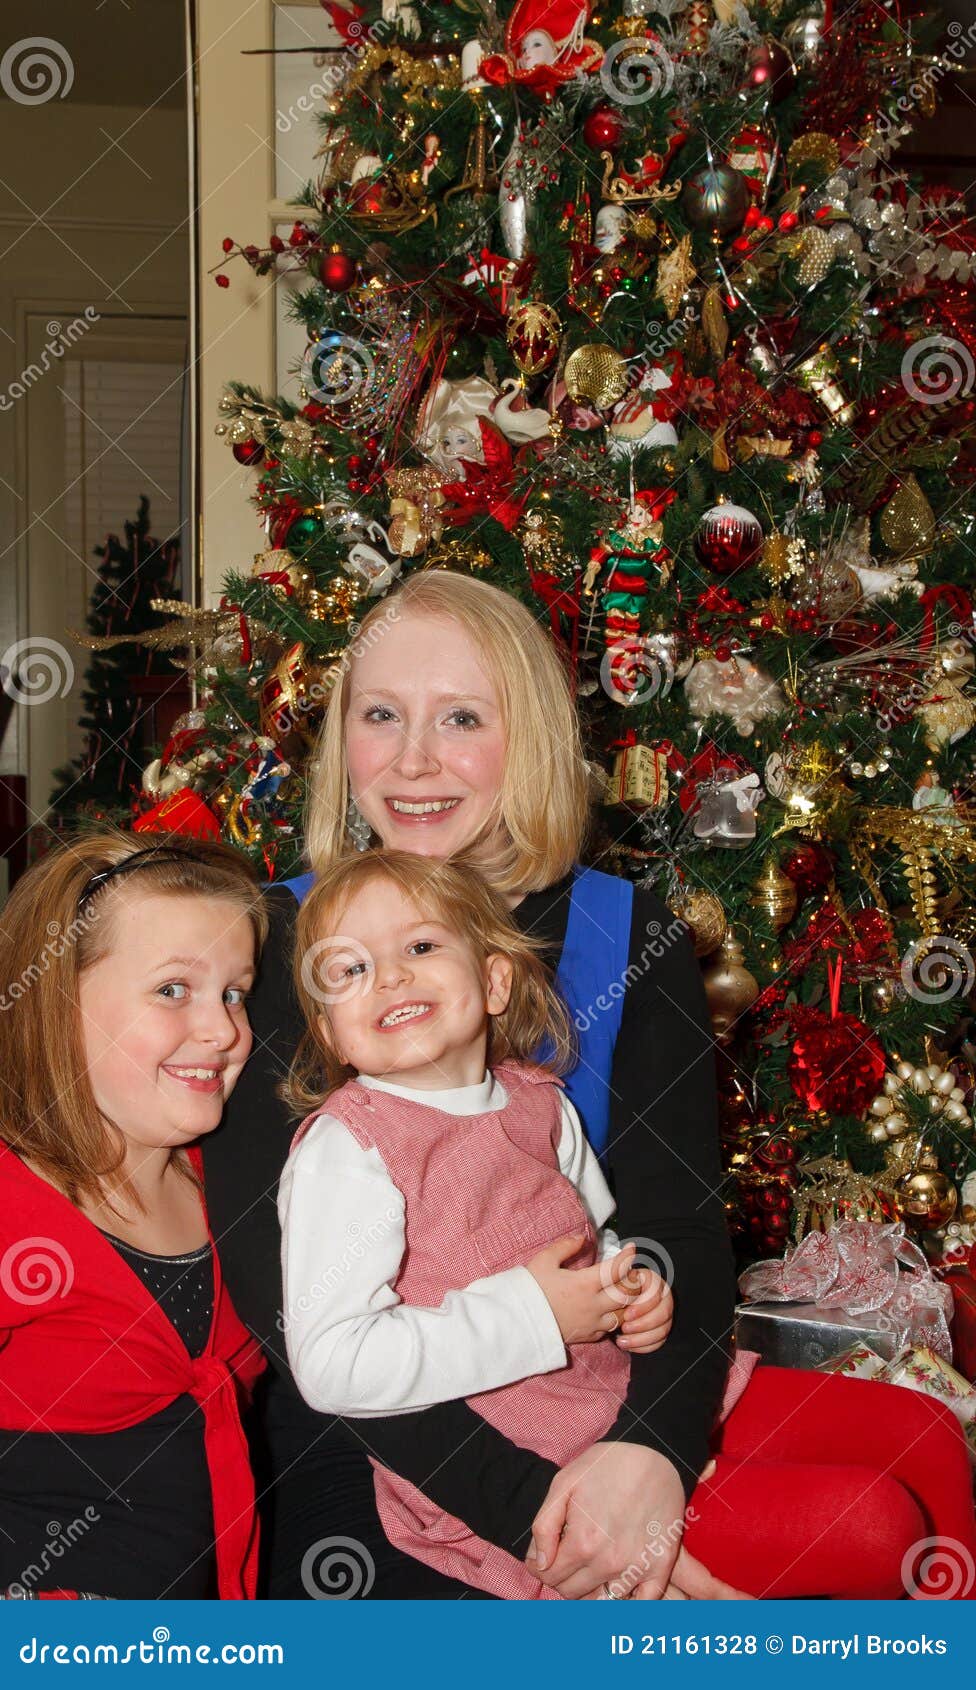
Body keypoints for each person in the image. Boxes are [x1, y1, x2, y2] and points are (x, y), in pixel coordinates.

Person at [202, 570, 976, 1601]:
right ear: (341, 740)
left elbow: (677, 1236)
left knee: (923, 1434)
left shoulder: (627, 934)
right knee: (868, 1529)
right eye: (380, 715)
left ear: (525, 739)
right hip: (401, 1447)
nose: (414, 759)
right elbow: (293, 1316)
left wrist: (651, 1451)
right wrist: (551, 1506)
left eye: (462, 717)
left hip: (605, 1376)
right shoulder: (285, 945)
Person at [278, 848, 674, 1598]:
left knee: (909, 1439)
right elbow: (331, 1365)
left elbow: (597, 1242)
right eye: (350, 969)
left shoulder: (541, 1103)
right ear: (332, 1033)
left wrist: (630, 1291)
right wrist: (536, 1313)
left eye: (421, 947)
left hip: (615, 1415)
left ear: (494, 981)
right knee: (865, 1522)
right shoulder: (348, 1147)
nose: (389, 977)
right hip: (515, 1465)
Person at [0, 829, 267, 1599]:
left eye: (234, 993)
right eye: (172, 990)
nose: (222, 1030)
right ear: (57, 998)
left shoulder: (238, 1185)